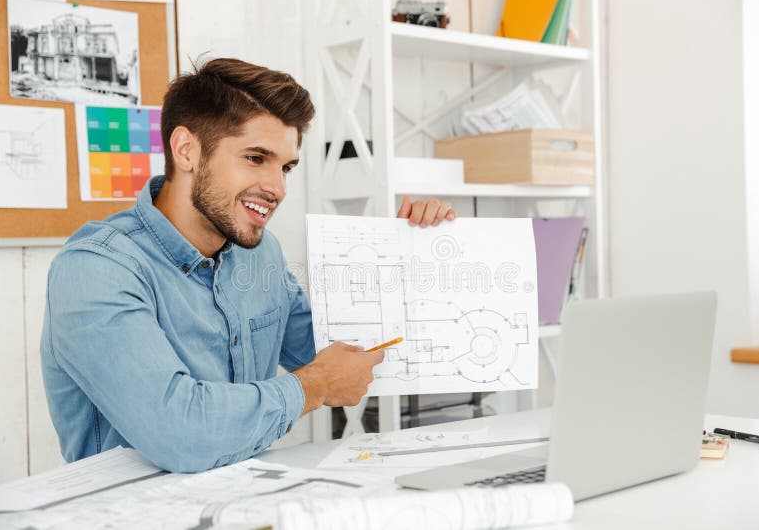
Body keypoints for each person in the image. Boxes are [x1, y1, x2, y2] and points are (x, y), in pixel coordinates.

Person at [40, 58, 456, 473]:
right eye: (256, 158)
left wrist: (410, 251)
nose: (277, 188)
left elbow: (347, 357)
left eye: (286, 167)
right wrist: (316, 385)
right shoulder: (97, 270)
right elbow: (179, 432)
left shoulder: (261, 254)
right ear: (186, 150)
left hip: (248, 505)